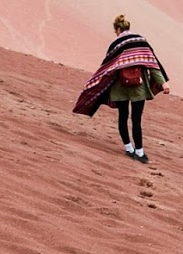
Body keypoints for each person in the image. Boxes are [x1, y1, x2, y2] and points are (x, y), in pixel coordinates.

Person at [72, 14, 169, 162]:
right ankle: (140, 153)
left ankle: (129, 148)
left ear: (117, 29)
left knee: (123, 117)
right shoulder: (141, 41)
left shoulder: (115, 45)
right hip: (139, 87)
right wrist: (163, 83)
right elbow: (152, 64)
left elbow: (106, 68)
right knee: (136, 120)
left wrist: (95, 84)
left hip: (119, 87)